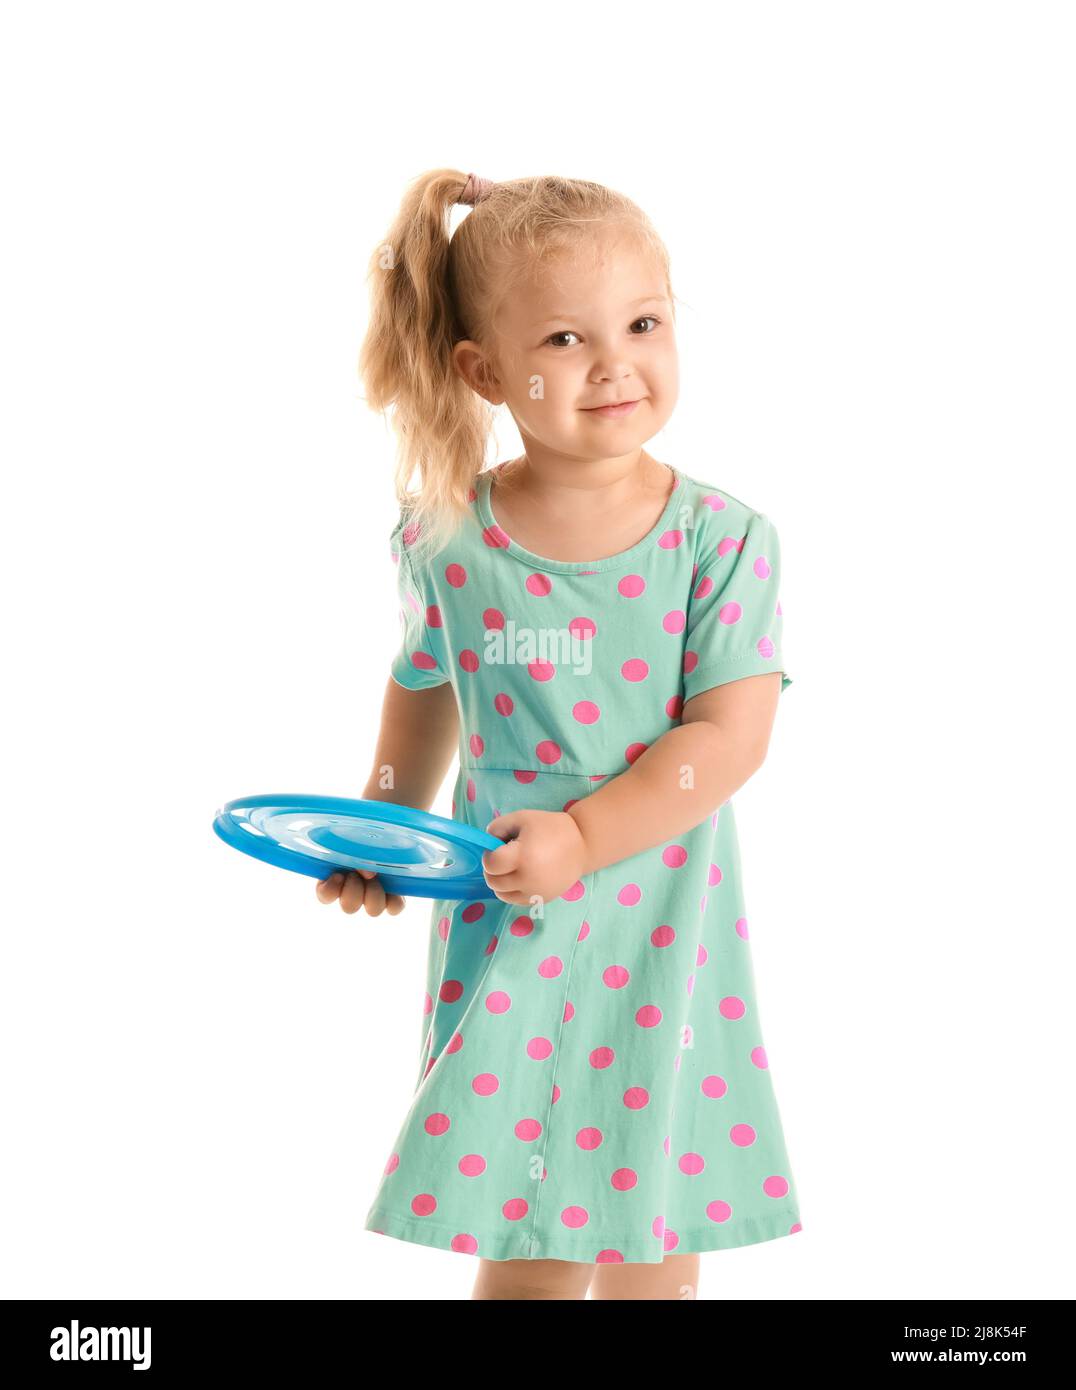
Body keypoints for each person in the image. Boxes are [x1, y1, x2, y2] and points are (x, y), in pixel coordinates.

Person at [317, 169, 802, 1300]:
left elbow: (728, 732)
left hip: (659, 912)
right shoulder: (448, 536)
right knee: (526, 1220)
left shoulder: (719, 540)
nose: (614, 362)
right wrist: (383, 810)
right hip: (509, 909)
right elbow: (424, 683)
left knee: (648, 1216)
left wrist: (587, 833)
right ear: (485, 371)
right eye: (565, 338)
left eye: (642, 323)